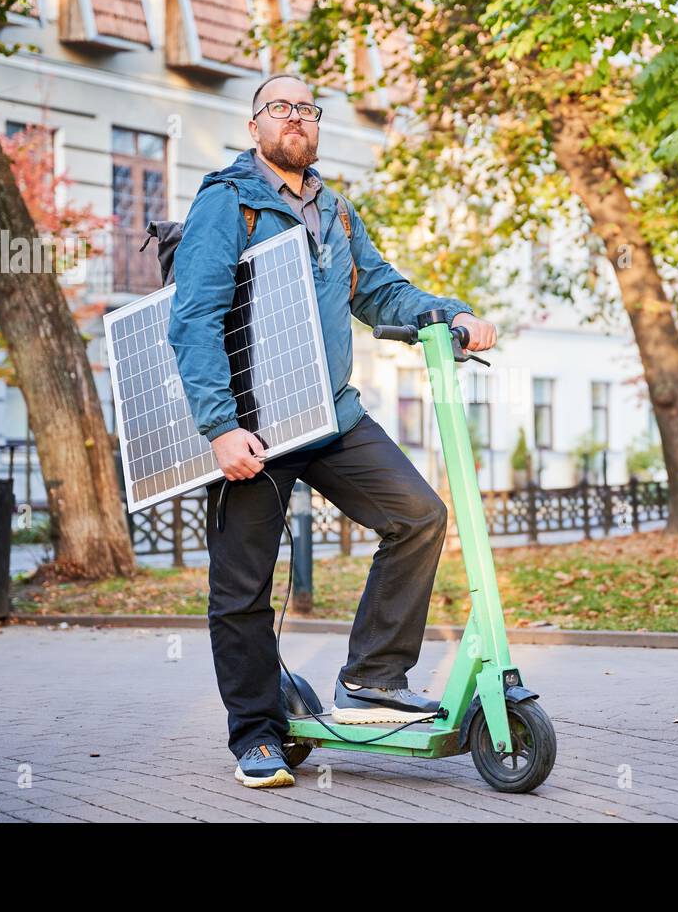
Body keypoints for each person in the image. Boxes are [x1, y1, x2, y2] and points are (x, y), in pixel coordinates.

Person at [168, 73, 497, 789]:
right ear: (255, 124)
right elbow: (192, 318)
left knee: (419, 516)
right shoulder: (229, 204)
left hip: (330, 416)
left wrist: (452, 314)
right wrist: (220, 427)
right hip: (253, 426)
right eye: (280, 108)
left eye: (307, 110)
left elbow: (382, 292)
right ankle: (255, 735)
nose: (296, 119)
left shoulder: (338, 213)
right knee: (243, 586)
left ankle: (374, 677)